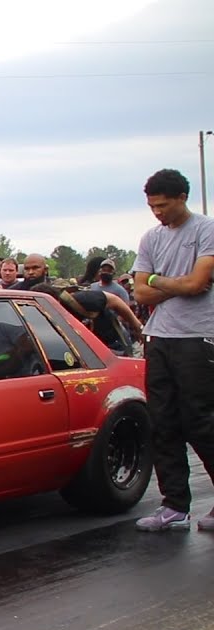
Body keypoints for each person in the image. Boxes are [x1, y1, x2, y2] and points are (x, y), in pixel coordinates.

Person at [128, 169, 214, 532]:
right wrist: (174, 284)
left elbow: (198, 282)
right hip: (159, 336)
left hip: (198, 337)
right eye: (152, 207)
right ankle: (174, 505)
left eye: (163, 206)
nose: (158, 213)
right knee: (163, 422)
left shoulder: (205, 230)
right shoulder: (151, 238)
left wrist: (156, 280)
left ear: (181, 198)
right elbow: (139, 293)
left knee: (201, 421)